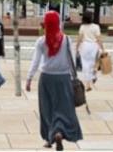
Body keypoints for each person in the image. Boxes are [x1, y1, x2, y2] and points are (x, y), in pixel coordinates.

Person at [26, 12, 83, 151]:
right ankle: (59, 133)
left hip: (46, 78)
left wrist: (29, 78)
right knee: (63, 108)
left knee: (47, 108)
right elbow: (71, 60)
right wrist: (73, 77)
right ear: (58, 23)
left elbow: (35, 61)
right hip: (63, 78)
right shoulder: (66, 40)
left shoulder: (41, 41)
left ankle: (49, 138)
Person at [76, 10, 103, 92]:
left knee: (85, 64)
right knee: (94, 62)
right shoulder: (96, 27)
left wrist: (77, 48)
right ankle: (94, 73)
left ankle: (87, 85)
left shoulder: (82, 27)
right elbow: (99, 39)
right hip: (94, 46)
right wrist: (102, 48)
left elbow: (79, 38)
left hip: (85, 46)